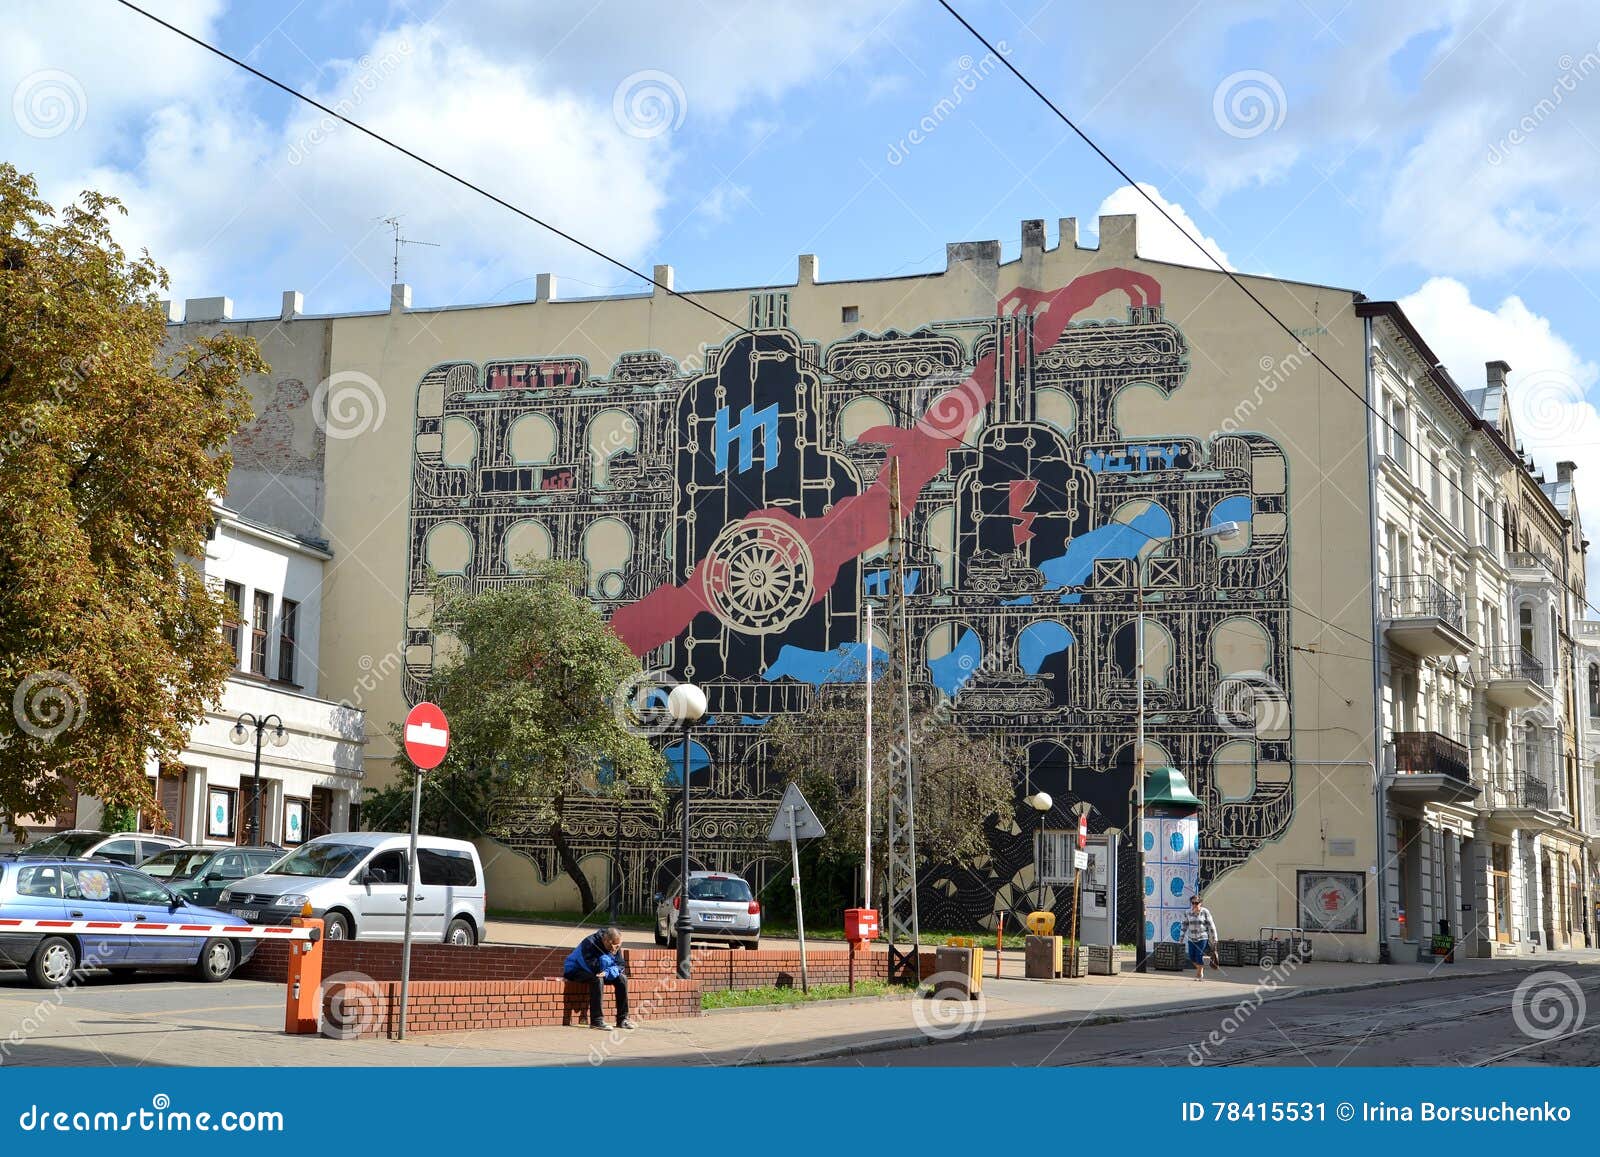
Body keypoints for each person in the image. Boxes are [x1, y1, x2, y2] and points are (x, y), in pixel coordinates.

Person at [563, 926, 635, 1029]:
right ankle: (596, 1020)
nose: (616, 949)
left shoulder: (614, 945)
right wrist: (610, 956)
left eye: (618, 946)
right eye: (614, 946)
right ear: (606, 940)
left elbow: (620, 965)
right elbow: (593, 967)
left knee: (622, 979)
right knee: (597, 979)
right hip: (576, 970)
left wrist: (607, 972)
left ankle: (622, 1019)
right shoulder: (589, 943)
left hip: (601, 971)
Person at [1179, 893, 1220, 981]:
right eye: (1192, 903)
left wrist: (1215, 938)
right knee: (1191, 956)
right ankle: (1200, 969)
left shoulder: (1205, 912)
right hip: (1191, 938)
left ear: (1200, 903)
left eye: (1196, 903)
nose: (1194, 905)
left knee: (1199, 955)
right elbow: (1184, 925)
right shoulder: (1187, 912)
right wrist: (1181, 938)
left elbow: (1211, 925)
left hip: (1202, 937)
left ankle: (1199, 974)